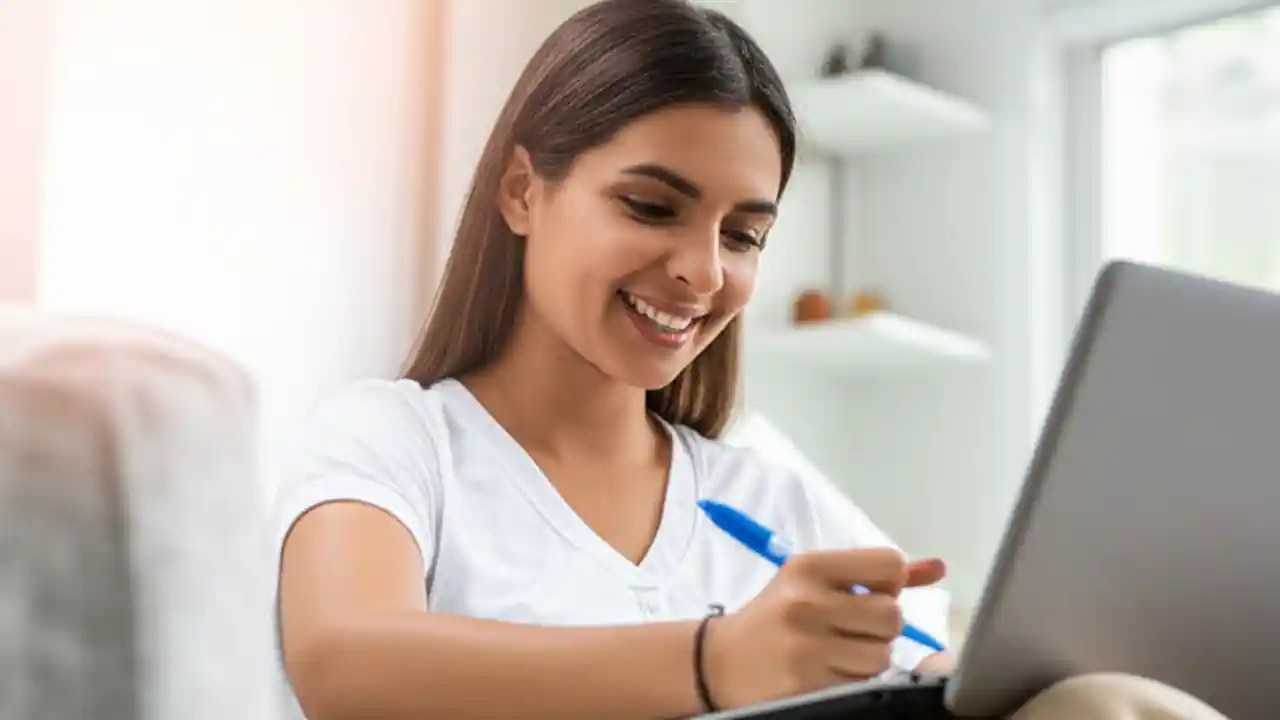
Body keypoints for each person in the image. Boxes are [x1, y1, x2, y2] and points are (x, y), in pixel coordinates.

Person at [272, 1, 1230, 717]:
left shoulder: (772, 499)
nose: (701, 272)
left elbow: (943, 674)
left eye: (743, 235)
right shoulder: (400, 440)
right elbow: (344, 664)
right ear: (523, 191)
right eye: (651, 207)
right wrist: (714, 661)